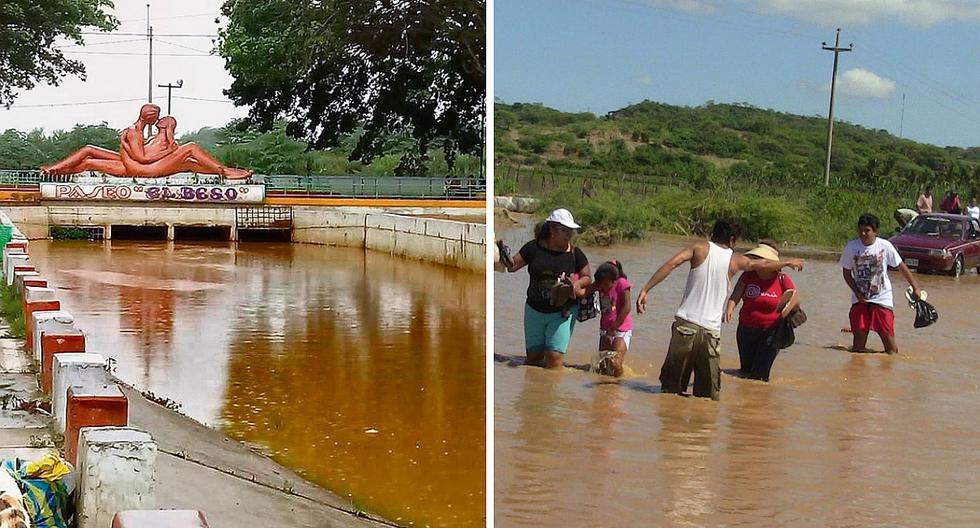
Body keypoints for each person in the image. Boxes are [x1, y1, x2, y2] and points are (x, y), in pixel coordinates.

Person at [635, 218, 804, 400]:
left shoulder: (698, 248)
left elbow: (671, 264)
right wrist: (786, 263)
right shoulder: (735, 260)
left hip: (686, 326)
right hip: (711, 332)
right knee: (707, 396)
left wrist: (646, 289)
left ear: (713, 234)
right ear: (732, 240)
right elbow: (761, 264)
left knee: (671, 390)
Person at [500, 208, 592, 369]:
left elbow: (587, 278)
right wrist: (502, 255)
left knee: (554, 359)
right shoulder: (533, 248)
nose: (568, 234)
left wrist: (574, 285)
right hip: (534, 310)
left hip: (563, 312)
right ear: (551, 229)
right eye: (564, 230)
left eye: (570, 231)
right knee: (533, 359)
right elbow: (512, 267)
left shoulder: (575, 254)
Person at [840, 213, 921, 354]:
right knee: (858, 346)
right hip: (860, 300)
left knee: (889, 345)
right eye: (861, 231)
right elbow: (847, 274)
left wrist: (916, 288)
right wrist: (857, 293)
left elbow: (901, 267)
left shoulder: (885, 246)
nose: (863, 234)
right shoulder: (851, 247)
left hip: (882, 298)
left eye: (867, 230)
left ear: (876, 231)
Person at [724, 242, 797, 382]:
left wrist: (788, 308)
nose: (757, 262)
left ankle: (761, 400)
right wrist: (730, 308)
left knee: (760, 376)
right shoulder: (747, 276)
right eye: (755, 258)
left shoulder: (783, 279)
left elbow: (795, 297)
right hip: (746, 330)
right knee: (745, 372)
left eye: (761, 259)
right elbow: (736, 294)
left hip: (771, 332)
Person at [589, 260, 631, 377]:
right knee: (603, 366)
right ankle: (605, 392)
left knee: (615, 363)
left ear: (614, 280)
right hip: (605, 330)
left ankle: (618, 385)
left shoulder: (622, 283)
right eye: (600, 284)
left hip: (621, 329)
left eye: (606, 284)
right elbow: (584, 292)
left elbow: (627, 307)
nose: (603, 287)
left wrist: (615, 326)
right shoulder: (600, 284)